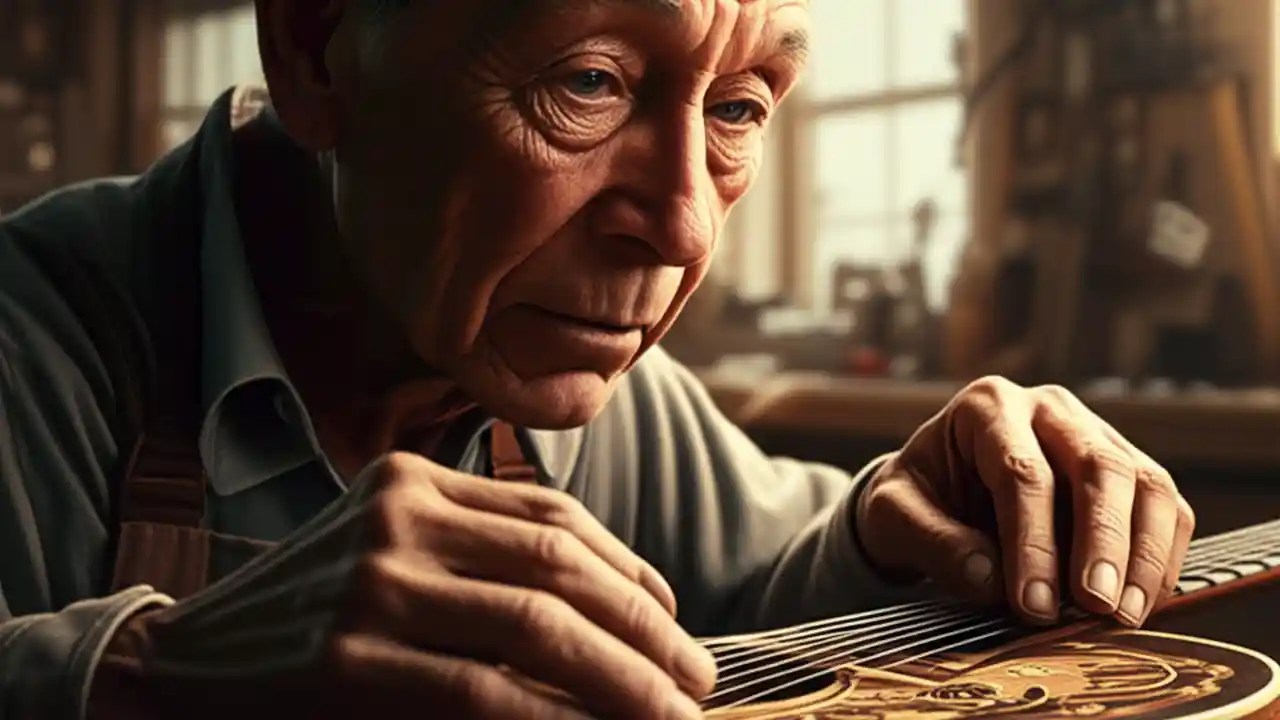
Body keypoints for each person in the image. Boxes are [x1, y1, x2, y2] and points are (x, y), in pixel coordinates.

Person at [0, 1, 1195, 718]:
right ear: (319, 49)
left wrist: (897, 529)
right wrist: (148, 676)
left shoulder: (602, 400)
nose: (682, 230)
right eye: (588, 82)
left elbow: (755, 599)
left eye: (737, 108)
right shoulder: (37, 339)